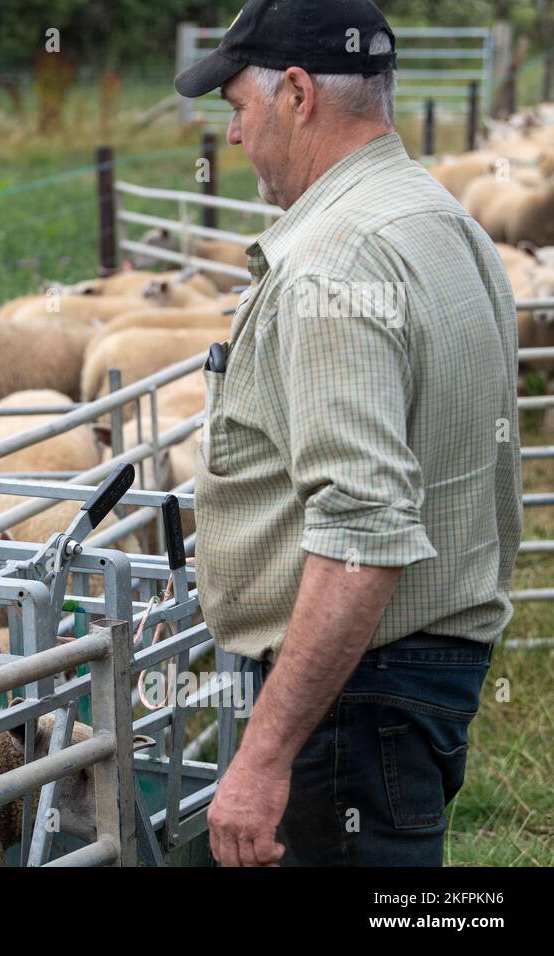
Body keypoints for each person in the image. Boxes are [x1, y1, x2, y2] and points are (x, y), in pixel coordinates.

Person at [174, 0, 521, 866]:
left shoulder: (334, 261)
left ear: (297, 94)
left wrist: (261, 756)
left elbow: (361, 530)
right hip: (416, 675)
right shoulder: (445, 222)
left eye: (239, 111)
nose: (237, 139)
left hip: (351, 695)